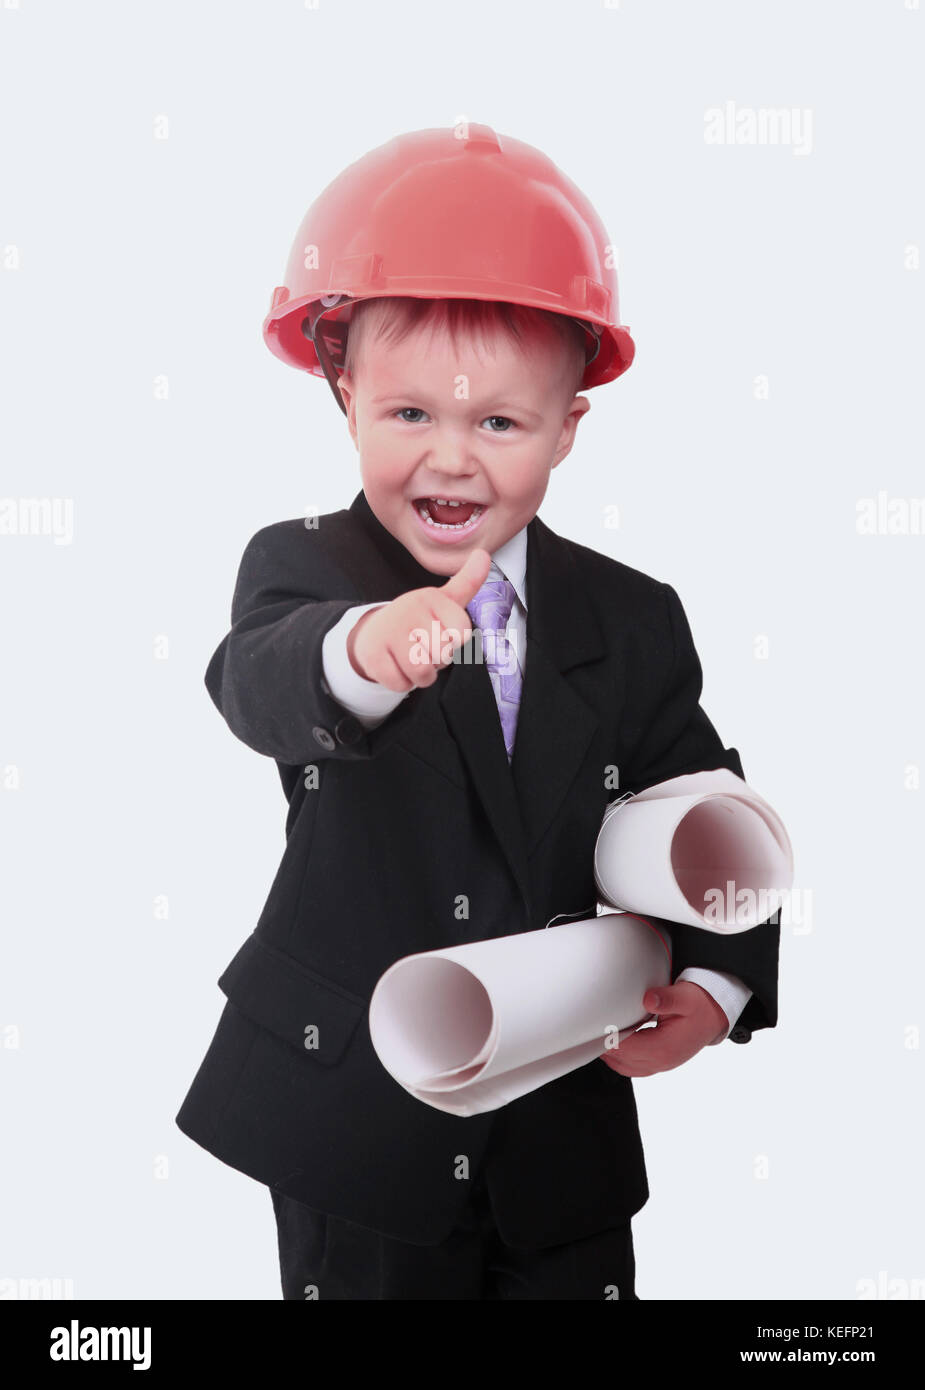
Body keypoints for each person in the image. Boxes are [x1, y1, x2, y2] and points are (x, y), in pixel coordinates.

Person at [175, 125, 780, 1300]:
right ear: (342, 392)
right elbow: (257, 679)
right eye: (408, 415)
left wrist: (714, 987)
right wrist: (364, 648)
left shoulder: (630, 614)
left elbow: (704, 812)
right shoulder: (306, 567)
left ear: (566, 426)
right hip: (356, 1104)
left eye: (498, 424)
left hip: (560, 1113)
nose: (450, 460)